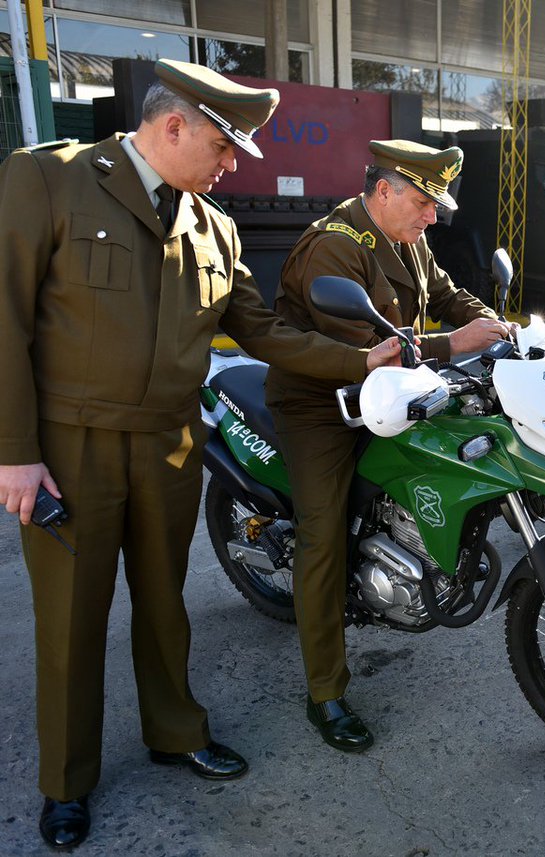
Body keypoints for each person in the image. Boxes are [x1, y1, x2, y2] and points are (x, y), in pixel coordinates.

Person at [0, 59, 407, 849]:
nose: (231, 168)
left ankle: (175, 731)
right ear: (173, 125)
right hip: (72, 448)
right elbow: (6, 319)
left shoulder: (214, 228)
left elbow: (264, 331)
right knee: (72, 620)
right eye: (223, 149)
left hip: (171, 443)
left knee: (165, 603)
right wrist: (13, 453)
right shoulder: (50, 179)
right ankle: (66, 780)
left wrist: (359, 359)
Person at [265, 139, 512, 753]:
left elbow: (448, 296)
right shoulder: (334, 247)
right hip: (324, 402)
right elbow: (369, 351)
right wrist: (454, 344)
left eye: (435, 204)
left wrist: (499, 327)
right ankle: (325, 693)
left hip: (395, 392)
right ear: (384, 190)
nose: (434, 215)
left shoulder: (406, 236)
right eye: (425, 202)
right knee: (322, 535)